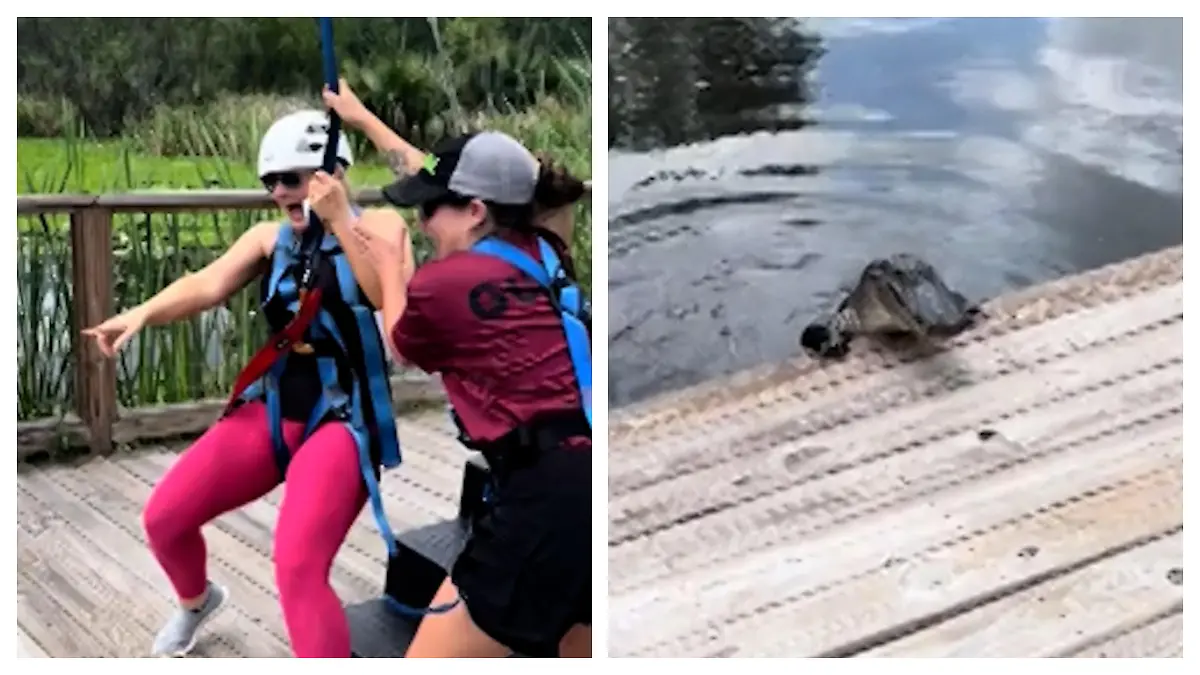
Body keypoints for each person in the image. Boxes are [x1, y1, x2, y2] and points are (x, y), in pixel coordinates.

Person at [81, 108, 404, 658]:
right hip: (277, 405)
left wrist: (339, 221)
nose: (279, 192)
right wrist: (141, 313)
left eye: (291, 179)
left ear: (331, 174)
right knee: (164, 519)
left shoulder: (382, 229)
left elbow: (378, 294)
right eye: (270, 182)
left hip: (345, 418)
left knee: (298, 567)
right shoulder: (271, 240)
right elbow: (206, 283)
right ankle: (196, 601)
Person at [317, 81, 592, 658]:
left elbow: (399, 343)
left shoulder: (446, 284)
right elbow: (436, 169)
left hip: (544, 503)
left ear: (475, 211)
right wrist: (361, 117)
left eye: (428, 211)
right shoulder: (547, 243)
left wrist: (380, 251)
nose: (422, 223)